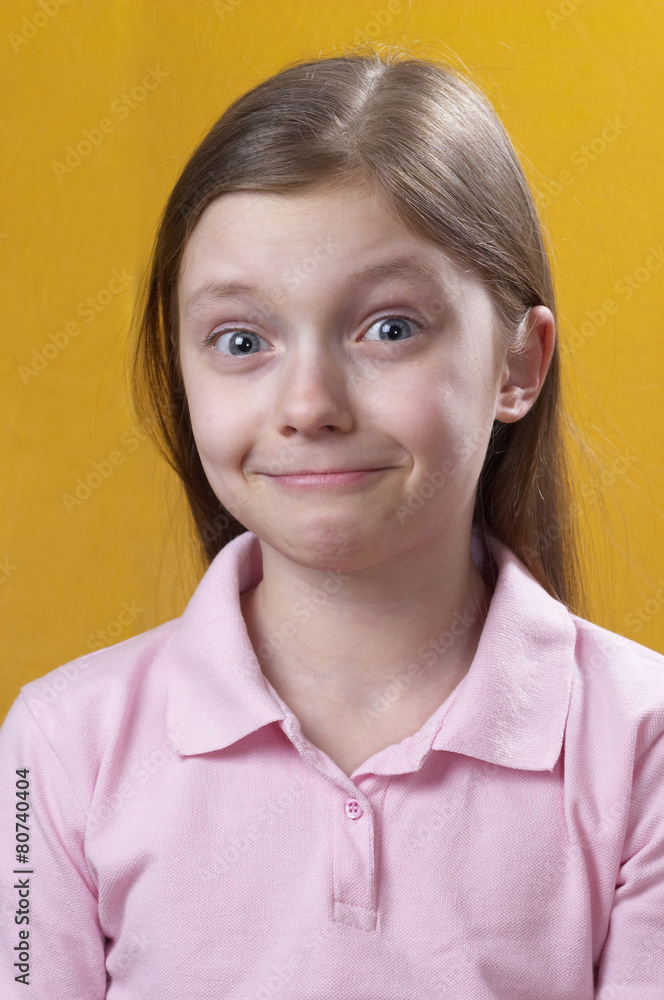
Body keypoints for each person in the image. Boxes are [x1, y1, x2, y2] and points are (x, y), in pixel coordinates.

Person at [1, 47, 663, 999]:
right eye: (242, 341)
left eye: (390, 328)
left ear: (519, 364)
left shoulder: (641, 745)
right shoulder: (58, 749)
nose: (308, 405)